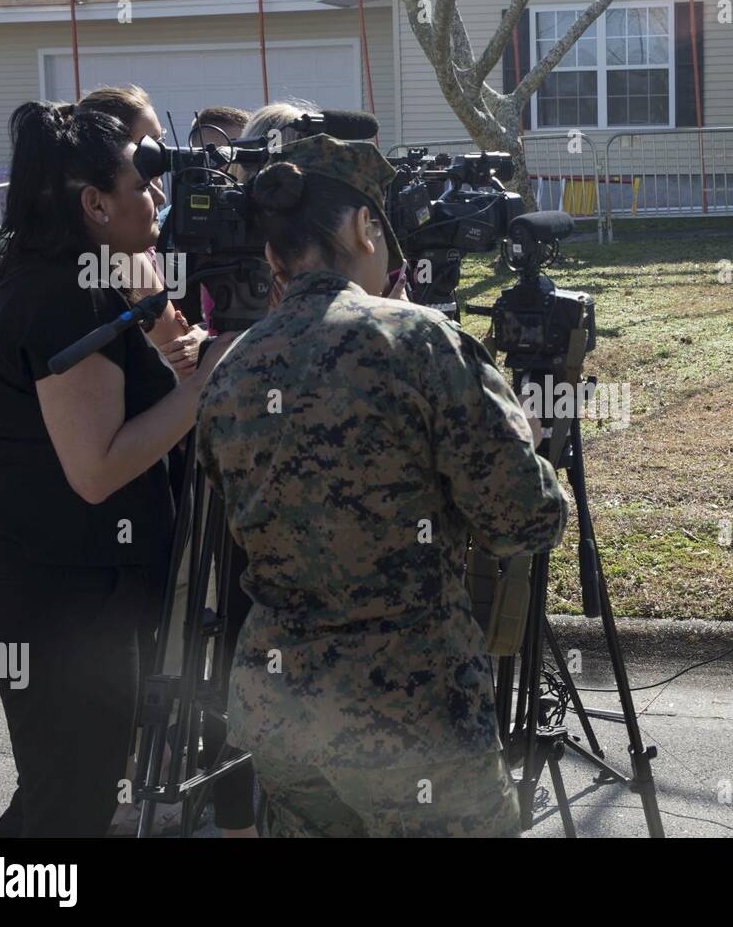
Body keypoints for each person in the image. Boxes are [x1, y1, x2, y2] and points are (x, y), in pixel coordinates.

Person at [195, 134, 567, 836]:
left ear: (275, 254)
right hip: (411, 709)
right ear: (365, 227)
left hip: (278, 711)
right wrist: (533, 454)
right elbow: (524, 521)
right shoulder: (417, 338)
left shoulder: (233, 366)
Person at [0, 101, 237, 836]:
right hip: (54, 603)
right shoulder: (64, 298)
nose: (158, 199)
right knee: (67, 803)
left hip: (65, 590)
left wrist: (164, 326)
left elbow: (158, 373)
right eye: (141, 185)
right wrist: (208, 387)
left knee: (67, 795)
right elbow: (98, 469)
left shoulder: (79, 278)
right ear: (93, 204)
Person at [75, 85, 208, 379]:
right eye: (151, 144)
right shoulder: (120, 241)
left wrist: (202, 335)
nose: (163, 156)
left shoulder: (123, 230)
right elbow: (178, 356)